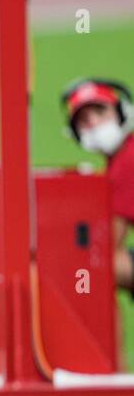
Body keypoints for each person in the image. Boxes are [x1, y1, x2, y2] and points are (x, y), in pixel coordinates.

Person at [61, 78, 134, 297]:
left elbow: (108, 243)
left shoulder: (127, 162)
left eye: (100, 112)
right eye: (83, 119)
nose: (93, 123)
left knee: (93, 263)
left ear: (121, 112)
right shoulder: (121, 159)